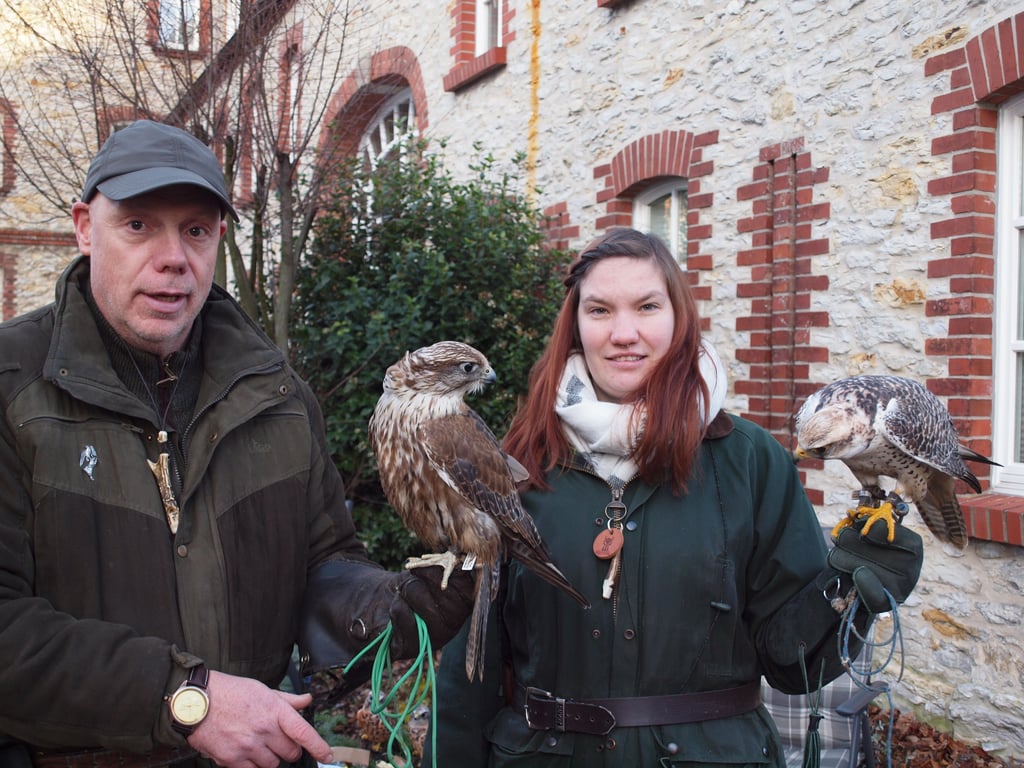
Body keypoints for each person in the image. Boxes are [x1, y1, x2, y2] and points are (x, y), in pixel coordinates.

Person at [0, 120, 473, 768]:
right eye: (139, 226)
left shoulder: (277, 395)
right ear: (85, 227)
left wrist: (393, 607)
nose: (173, 258)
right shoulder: (13, 389)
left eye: (195, 230)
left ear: (220, 236)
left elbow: (325, 563)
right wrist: (184, 700)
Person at [428, 227, 924, 767]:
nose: (624, 332)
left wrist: (849, 585)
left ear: (678, 318)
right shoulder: (513, 466)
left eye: (646, 306)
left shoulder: (750, 460)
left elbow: (790, 661)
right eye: (599, 311)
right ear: (575, 326)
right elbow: (468, 668)